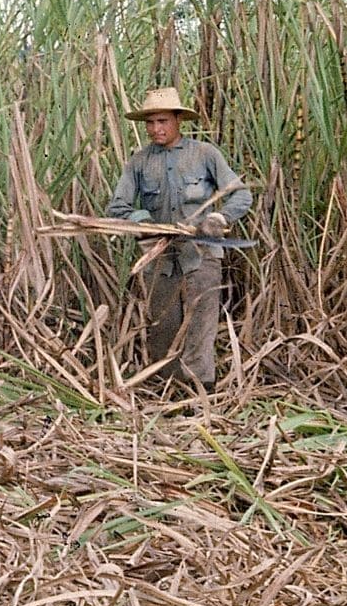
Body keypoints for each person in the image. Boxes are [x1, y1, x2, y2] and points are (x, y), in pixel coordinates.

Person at [105, 86, 252, 388]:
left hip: (202, 255)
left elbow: (241, 195)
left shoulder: (205, 154)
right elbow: (117, 206)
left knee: (201, 327)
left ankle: (201, 396)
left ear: (177, 121)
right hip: (159, 260)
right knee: (162, 327)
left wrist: (219, 218)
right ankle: (167, 393)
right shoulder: (139, 162)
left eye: (162, 122)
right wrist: (142, 221)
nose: (156, 129)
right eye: (150, 123)